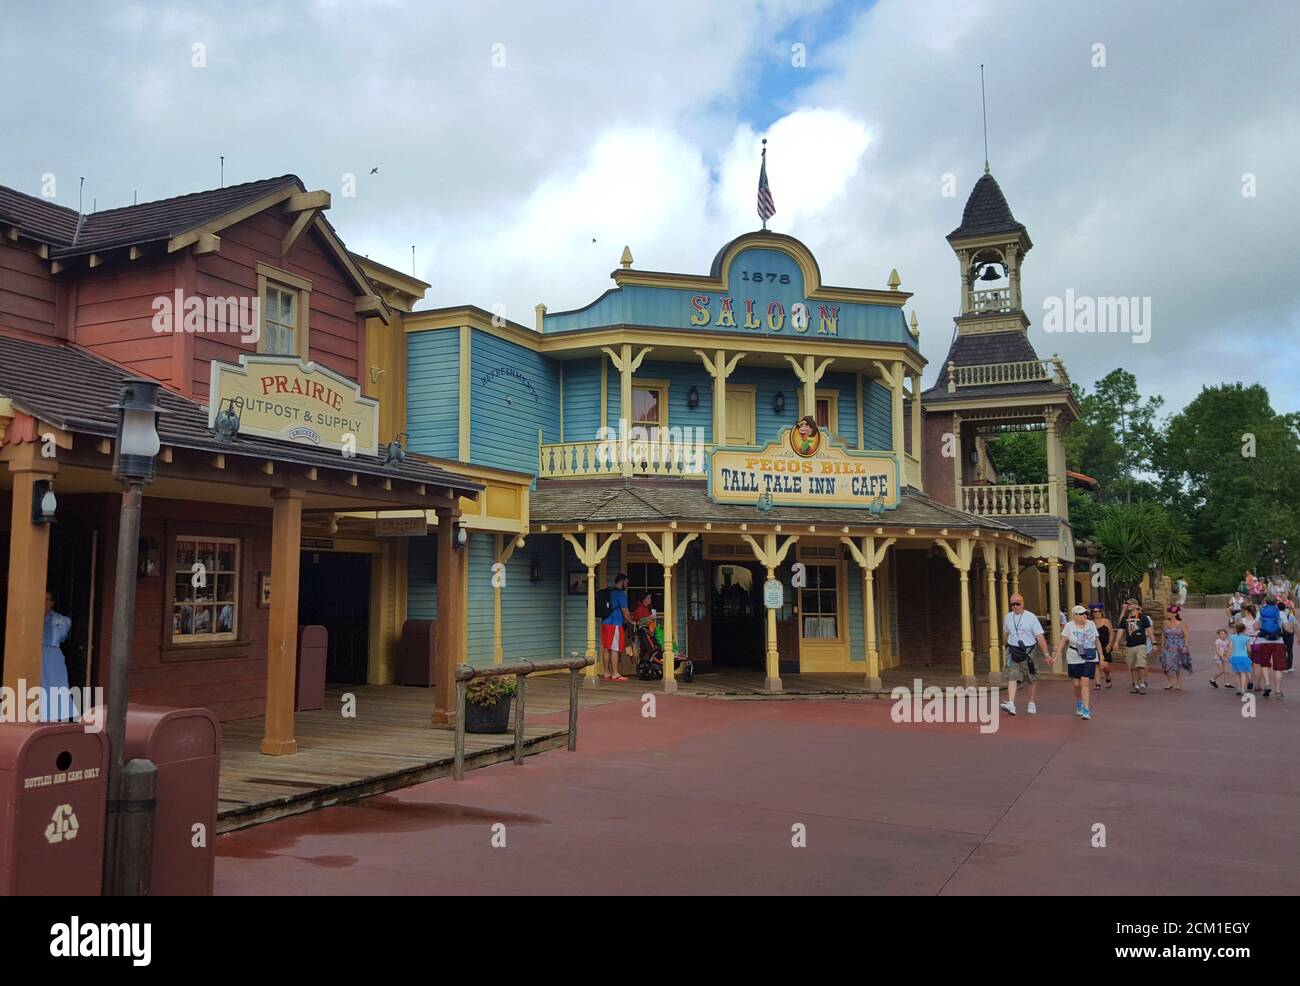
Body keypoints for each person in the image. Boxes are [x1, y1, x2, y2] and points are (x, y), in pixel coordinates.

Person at [1000, 593, 1052, 716]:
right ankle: (1011, 703)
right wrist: (1007, 645)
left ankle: (1031, 702)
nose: (1016, 606)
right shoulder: (1008, 617)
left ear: (1023, 603)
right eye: (1013, 604)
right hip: (1013, 650)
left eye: (1018, 603)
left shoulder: (1031, 617)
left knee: (1030, 677)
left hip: (1028, 651)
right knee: (1012, 675)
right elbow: (1005, 633)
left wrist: (1046, 654)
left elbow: (1040, 636)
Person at [1055, 605, 1099, 719]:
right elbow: (1063, 641)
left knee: (1085, 681)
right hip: (1074, 655)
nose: (1084, 615)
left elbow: (1096, 640)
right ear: (1075, 616)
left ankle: (1086, 709)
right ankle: (1079, 701)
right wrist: (1056, 656)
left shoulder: (1091, 624)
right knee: (1076, 684)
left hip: (1089, 655)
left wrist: (1102, 655)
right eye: (1081, 614)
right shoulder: (1069, 626)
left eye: (1085, 613)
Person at [42, 592, 75, 722]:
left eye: (47, 599)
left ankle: (55, 718)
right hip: (34, 655)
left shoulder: (61, 620)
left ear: (52, 603)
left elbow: (61, 636)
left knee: (55, 687)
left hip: (52, 658)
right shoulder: (29, 617)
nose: (43, 602)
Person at [599, 573, 632, 682]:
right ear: (621, 581)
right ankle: (615, 673)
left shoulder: (608, 591)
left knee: (606, 648)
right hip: (615, 623)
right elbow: (625, 611)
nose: (626, 585)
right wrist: (631, 622)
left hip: (605, 622)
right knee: (614, 649)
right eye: (626, 583)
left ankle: (607, 672)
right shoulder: (620, 594)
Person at [1116, 598, 1153, 694]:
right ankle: (1135, 684)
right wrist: (1116, 641)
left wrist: (1154, 643)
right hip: (1129, 644)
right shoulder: (1125, 618)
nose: (1127, 605)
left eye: (1129, 604)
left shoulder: (1143, 617)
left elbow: (1149, 630)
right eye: (1126, 603)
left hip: (1141, 643)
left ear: (1136, 606)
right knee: (1132, 666)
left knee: (1141, 664)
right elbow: (1121, 630)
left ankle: (1142, 683)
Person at [1253, 595, 1286, 698]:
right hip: (1278, 641)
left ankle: (1267, 684)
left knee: (1265, 664)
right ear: (1276, 602)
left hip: (1264, 641)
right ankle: (1278, 691)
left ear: (1266, 602)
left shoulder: (1260, 612)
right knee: (1278, 667)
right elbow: (1288, 628)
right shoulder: (1280, 613)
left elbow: (1255, 627)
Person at [1158, 604, 1192, 689]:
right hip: (1168, 647)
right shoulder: (1165, 623)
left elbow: (1186, 636)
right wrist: (1161, 646)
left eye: (1169, 612)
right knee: (1168, 664)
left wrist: (1185, 646)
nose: (1167, 614)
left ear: (1175, 614)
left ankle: (1179, 683)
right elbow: (1163, 635)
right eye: (1167, 612)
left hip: (1179, 647)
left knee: (1179, 665)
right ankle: (1170, 682)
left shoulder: (1182, 624)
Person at [1089, 602, 1115, 689]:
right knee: (1096, 664)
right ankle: (1098, 684)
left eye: (1099, 611)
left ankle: (1107, 677)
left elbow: (1111, 633)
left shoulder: (1106, 621)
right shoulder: (1090, 623)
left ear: (1101, 612)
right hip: (1094, 645)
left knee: (1105, 666)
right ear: (1092, 613)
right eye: (1095, 612)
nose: (1097, 613)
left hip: (1105, 645)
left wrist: (1110, 643)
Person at [1228, 621, 1253, 696]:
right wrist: (1250, 653)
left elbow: (1230, 647)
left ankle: (1238, 688)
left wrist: (1229, 656)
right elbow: (1249, 649)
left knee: (1237, 673)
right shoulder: (1246, 638)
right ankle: (1243, 689)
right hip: (1244, 657)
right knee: (1243, 673)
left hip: (1235, 657)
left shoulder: (1232, 637)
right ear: (1244, 629)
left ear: (1236, 629)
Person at [1281, 600, 1296, 673]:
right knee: (1290, 651)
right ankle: (1289, 667)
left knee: (1283, 651)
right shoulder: (1291, 616)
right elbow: (1296, 626)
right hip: (1290, 635)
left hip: (1282, 635)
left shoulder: (1279, 615)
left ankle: (1284, 667)